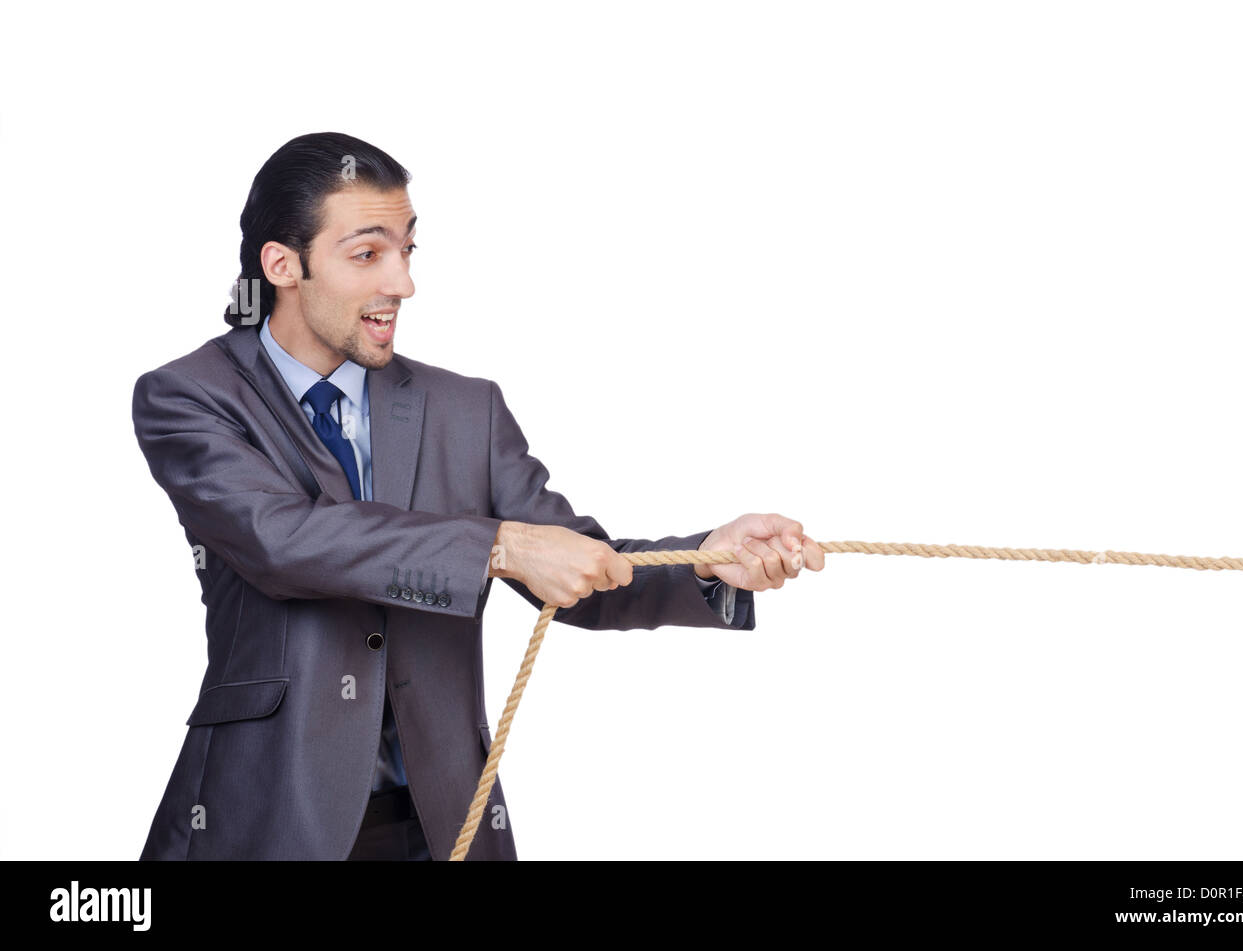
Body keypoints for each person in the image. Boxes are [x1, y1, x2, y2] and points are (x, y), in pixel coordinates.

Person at [131, 131, 825, 860]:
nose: (402, 283)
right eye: (367, 254)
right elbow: (283, 541)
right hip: (263, 819)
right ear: (282, 265)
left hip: (442, 821)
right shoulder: (189, 397)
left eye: (408, 250)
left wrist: (705, 560)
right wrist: (499, 546)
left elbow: (577, 567)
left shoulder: (466, 409)